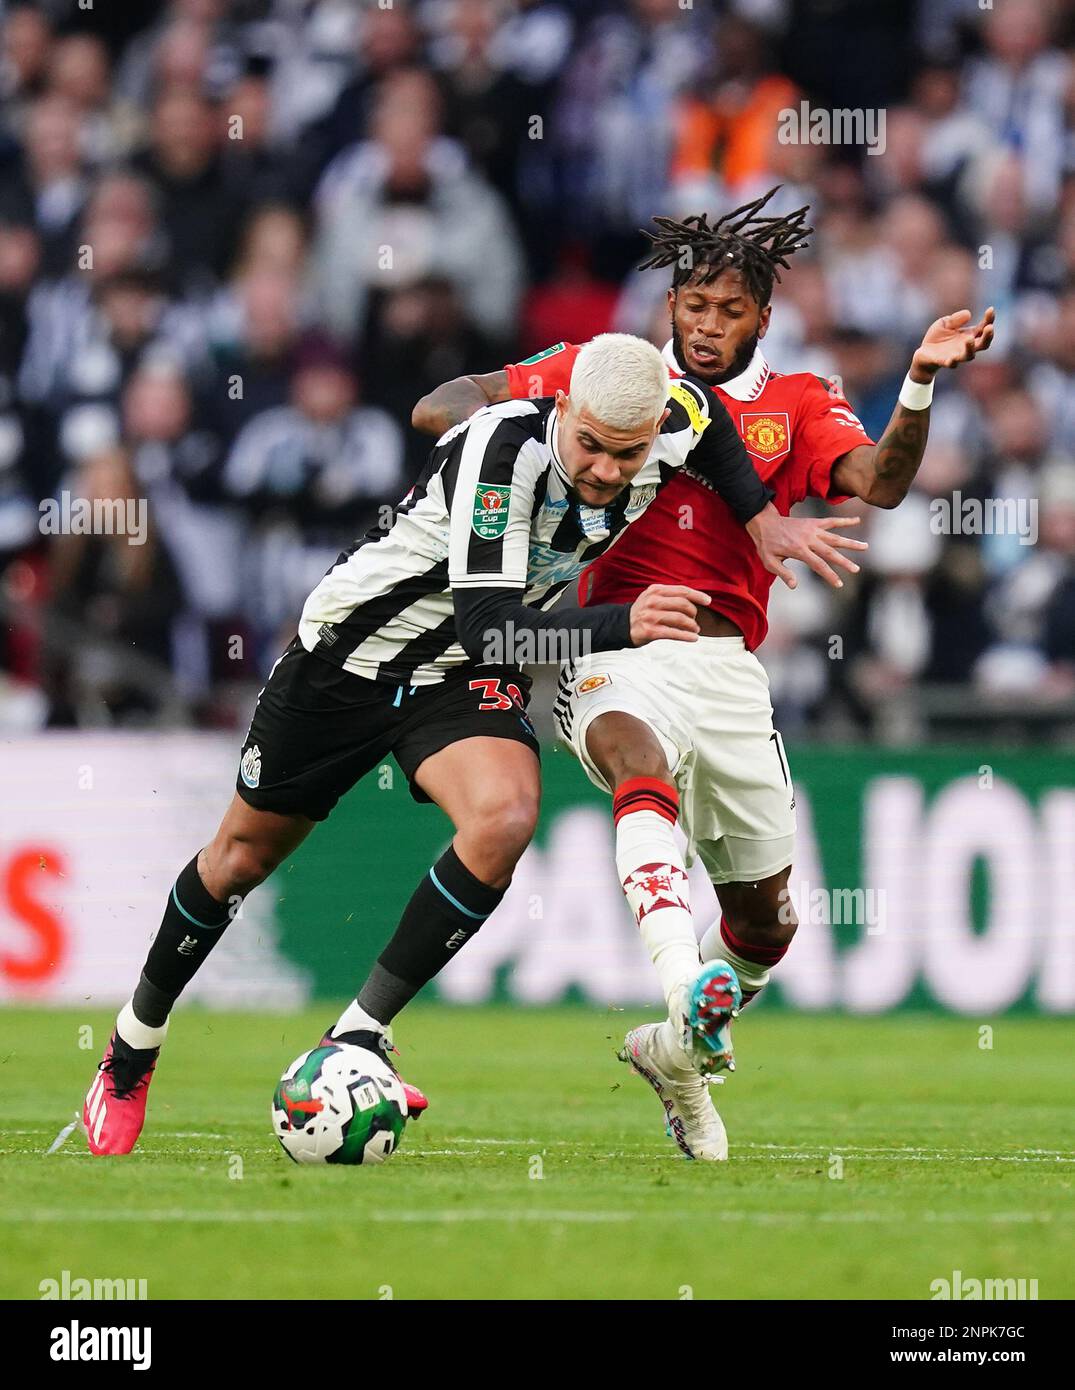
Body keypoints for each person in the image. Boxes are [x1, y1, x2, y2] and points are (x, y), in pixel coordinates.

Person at [82, 331, 846, 1156]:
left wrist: (761, 519)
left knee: (505, 816)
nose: (603, 470)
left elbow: (716, 437)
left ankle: (358, 1035)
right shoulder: (499, 451)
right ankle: (131, 1051)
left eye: (626, 456)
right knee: (239, 858)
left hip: (457, 679)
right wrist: (620, 622)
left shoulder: (676, 415)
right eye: (588, 444)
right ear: (563, 409)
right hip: (353, 658)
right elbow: (492, 627)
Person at [412, 188, 995, 1159]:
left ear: (762, 315)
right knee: (634, 759)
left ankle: (673, 1053)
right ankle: (683, 985)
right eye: (692, 306)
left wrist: (923, 383)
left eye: (729, 310)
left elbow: (880, 485)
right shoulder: (608, 377)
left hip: (726, 664)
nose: (707, 325)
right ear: (668, 307)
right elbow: (452, 401)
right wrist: (482, 415)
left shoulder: (799, 403)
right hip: (608, 645)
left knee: (768, 922)